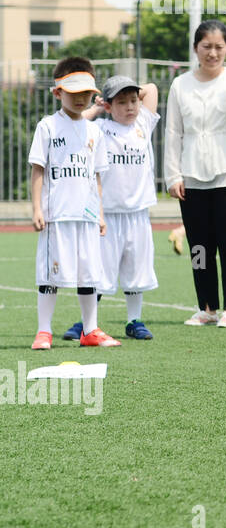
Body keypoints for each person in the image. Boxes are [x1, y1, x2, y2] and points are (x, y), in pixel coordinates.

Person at [164, 20, 226, 327]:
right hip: (192, 175)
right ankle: (207, 307)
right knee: (199, 247)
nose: (212, 53)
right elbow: (173, 132)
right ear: (196, 48)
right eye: (206, 46)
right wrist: (173, 175)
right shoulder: (180, 85)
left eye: (219, 47)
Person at [63, 76, 161, 343]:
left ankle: (134, 320)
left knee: (136, 269)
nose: (130, 107)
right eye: (121, 102)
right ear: (108, 106)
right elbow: (76, 118)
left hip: (138, 214)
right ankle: (87, 323)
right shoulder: (100, 128)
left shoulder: (143, 123)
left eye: (132, 101)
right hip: (107, 215)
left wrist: (134, 93)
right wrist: (98, 107)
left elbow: (151, 89)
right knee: (99, 271)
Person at [29, 57, 116, 349]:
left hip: (88, 214)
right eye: (73, 92)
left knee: (89, 272)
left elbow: (96, 177)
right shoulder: (48, 126)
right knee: (51, 273)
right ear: (57, 93)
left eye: (86, 93)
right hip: (58, 215)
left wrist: (100, 214)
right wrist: (37, 209)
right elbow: (38, 169)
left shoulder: (95, 131)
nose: (80, 99)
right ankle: (44, 331)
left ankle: (90, 330)